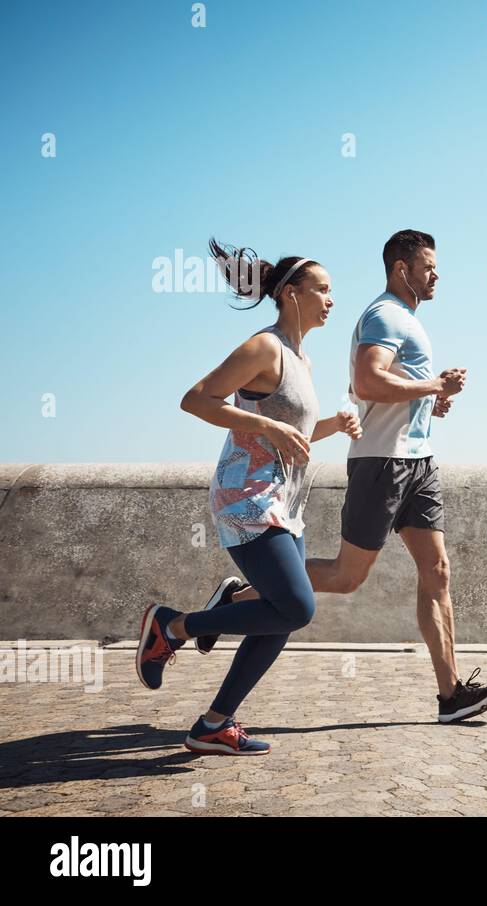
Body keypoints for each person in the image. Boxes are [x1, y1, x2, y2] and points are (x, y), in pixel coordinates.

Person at [198, 229, 487, 724]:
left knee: (438, 570)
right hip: (382, 462)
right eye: (428, 266)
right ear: (401, 269)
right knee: (347, 578)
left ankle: (451, 695)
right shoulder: (384, 314)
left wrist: (430, 399)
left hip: (419, 463)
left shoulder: (401, 321)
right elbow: (367, 381)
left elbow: (376, 388)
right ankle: (237, 599)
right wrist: (433, 384)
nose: (436, 274)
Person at [134, 239, 361, 755]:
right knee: (297, 608)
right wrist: (265, 425)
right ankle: (173, 625)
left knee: (280, 616)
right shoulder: (264, 347)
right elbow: (196, 399)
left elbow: (287, 432)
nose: (331, 300)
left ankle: (214, 723)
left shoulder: (301, 357)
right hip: (246, 499)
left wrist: (332, 424)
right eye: (322, 290)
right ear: (290, 293)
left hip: (285, 504)